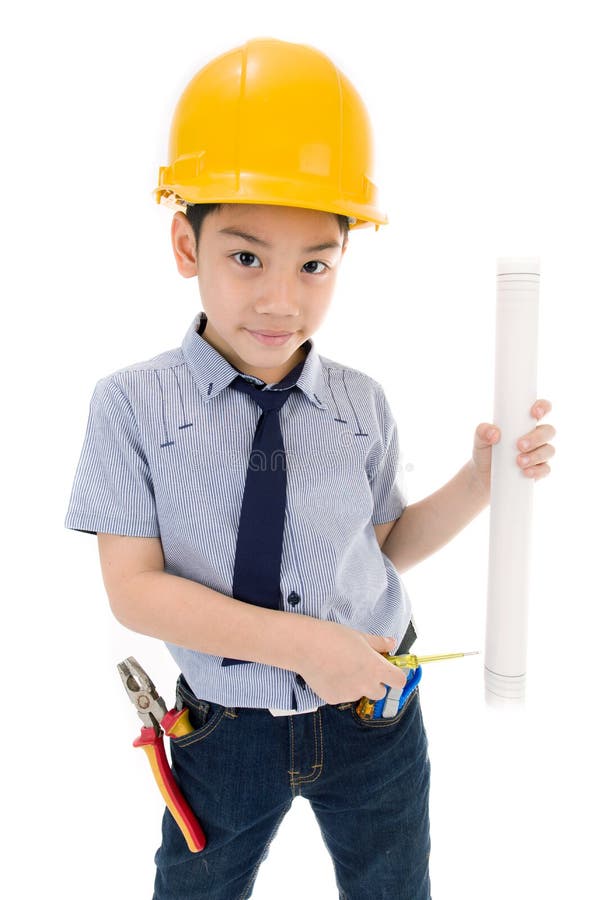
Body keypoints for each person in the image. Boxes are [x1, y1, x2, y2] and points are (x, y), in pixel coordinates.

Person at [64, 37, 556, 900]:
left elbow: (379, 549)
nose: (281, 299)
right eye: (246, 256)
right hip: (226, 731)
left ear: (343, 256)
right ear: (187, 243)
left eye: (315, 264)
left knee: (394, 887)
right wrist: (306, 647)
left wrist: (483, 479)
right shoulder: (131, 405)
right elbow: (134, 591)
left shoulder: (359, 404)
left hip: (376, 715)